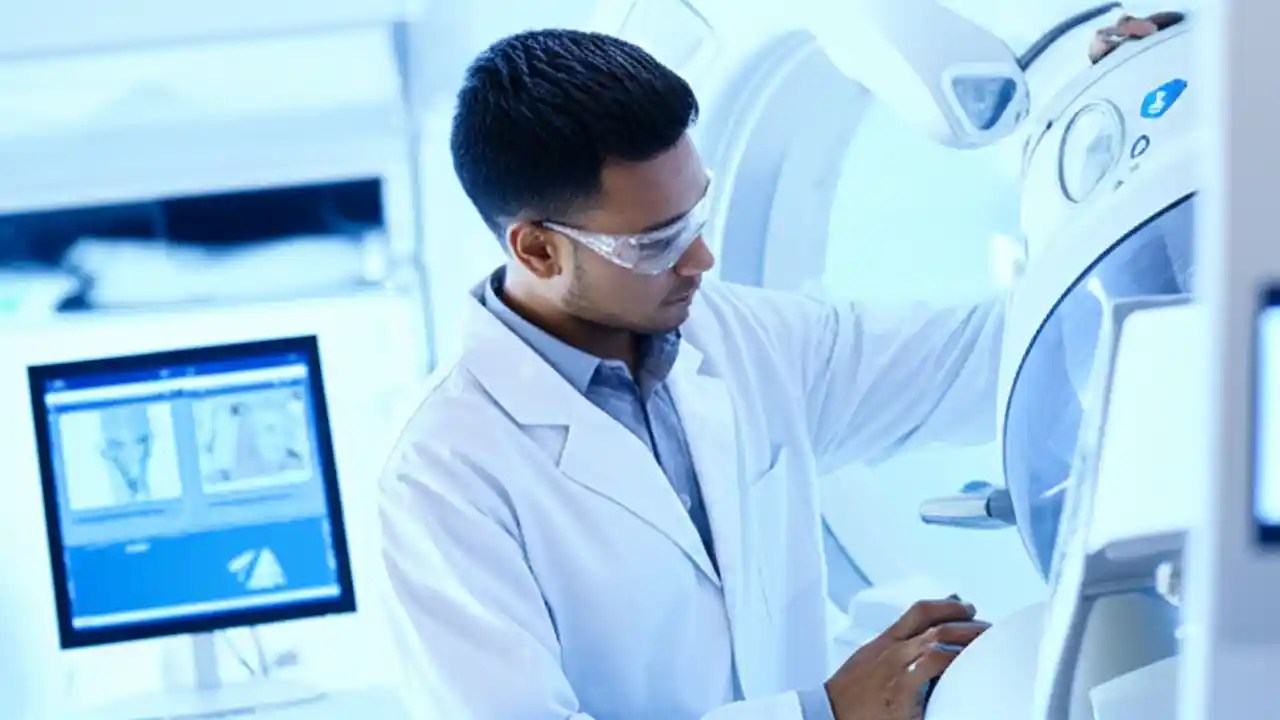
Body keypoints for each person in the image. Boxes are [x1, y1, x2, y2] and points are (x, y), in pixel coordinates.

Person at [380, 16, 1166, 720]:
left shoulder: (737, 337)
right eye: (654, 242)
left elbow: (994, 357)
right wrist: (820, 711)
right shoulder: (445, 474)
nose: (701, 258)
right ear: (537, 249)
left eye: (697, 216)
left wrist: (1107, 144)